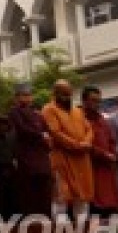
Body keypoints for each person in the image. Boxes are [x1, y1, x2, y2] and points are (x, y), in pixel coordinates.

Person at [41, 80, 93, 223]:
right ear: (55, 94)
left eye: (69, 94)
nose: (67, 97)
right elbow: (55, 132)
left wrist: (86, 142)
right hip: (62, 158)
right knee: (61, 197)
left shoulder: (77, 110)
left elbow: (89, 129)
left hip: (81, 160)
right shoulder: (48, 109)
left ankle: (82, 232)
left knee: (82, 197)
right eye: (63, 94)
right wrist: (77, 145)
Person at [8, 83, 52, 217]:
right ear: (17, 97)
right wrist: (40, 134)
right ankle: (32, 225)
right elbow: (22, 129)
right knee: (30, 193)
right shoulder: (15, 112)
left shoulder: (37, 114)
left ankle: (46, 220)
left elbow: (47, 130)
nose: (27, 98)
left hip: (42, 157)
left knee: (44, 191)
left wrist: (47, 137)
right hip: (27, 156)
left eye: (29, 95)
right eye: (24, 95)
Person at [81, 87, 118, 217]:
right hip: (90, 168)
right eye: (93, 100)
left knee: (110, 209)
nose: (96, 104)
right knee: (95, 209)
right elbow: (84, 144)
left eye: (99, 101)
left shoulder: (102, 119)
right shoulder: (79, 119)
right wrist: (104, 154)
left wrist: (113, 154)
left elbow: (111, 140)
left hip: (107, 168)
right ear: (84, 101)